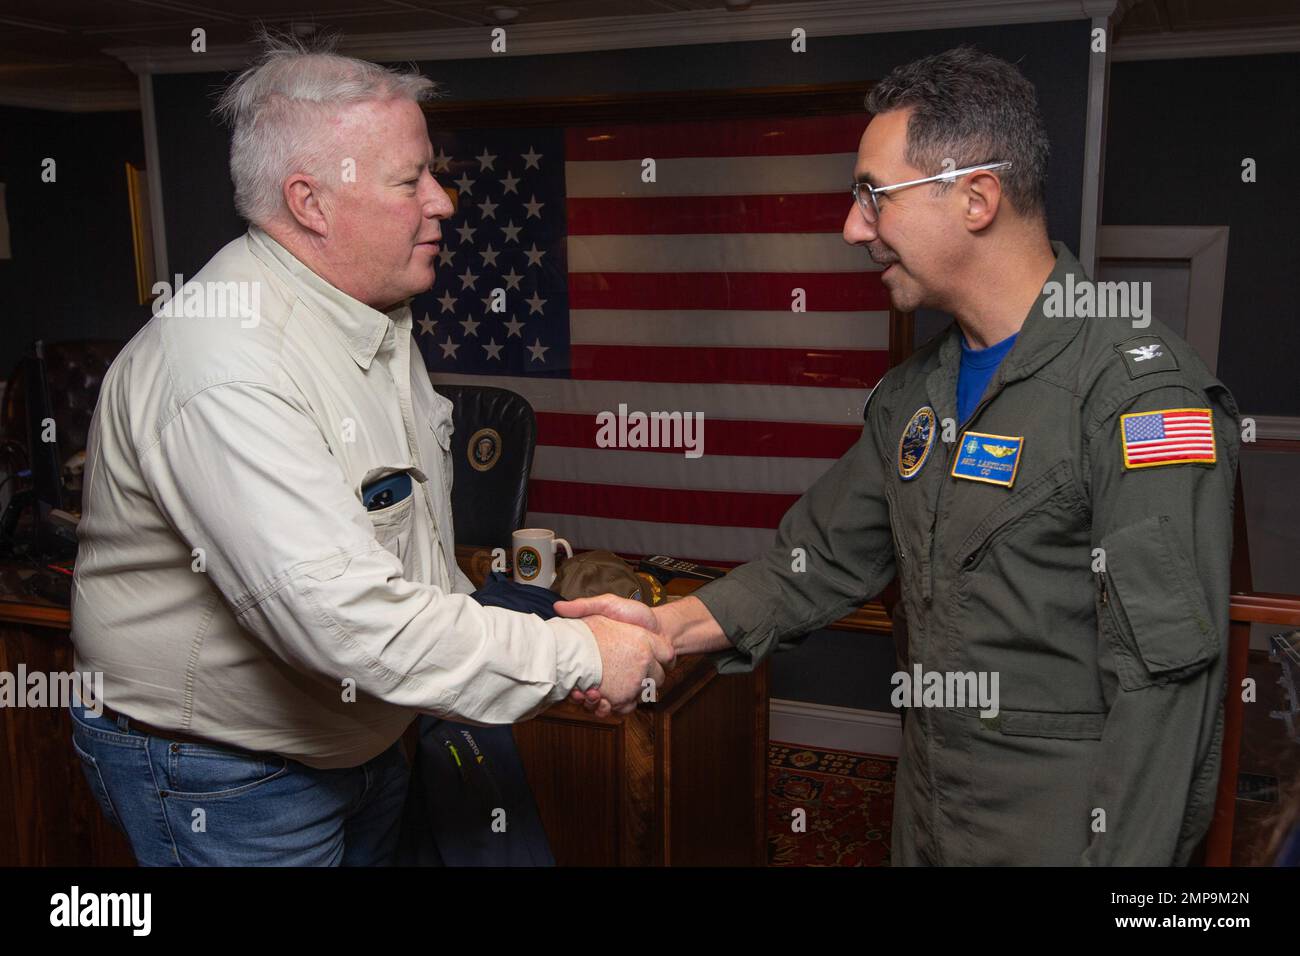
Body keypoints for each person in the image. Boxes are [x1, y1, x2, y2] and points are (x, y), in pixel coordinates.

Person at [560, 46, 1240, 866]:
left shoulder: (1139, 397)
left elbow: (1164, 697)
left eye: (872, 197)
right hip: (926, 816)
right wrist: (663, 626)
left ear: (977, 198)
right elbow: (807, 567)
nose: (852, 227)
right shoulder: (915, 394)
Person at [68, 35, 671, 866]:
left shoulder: (370, 314)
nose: (443, 201)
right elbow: (342, 622)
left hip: (365, 741)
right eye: (410, 179)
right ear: (312, 203)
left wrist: (540, 628)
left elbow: (403, 553)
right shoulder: (224, 364)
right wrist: (577, 658)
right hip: (232, 778)